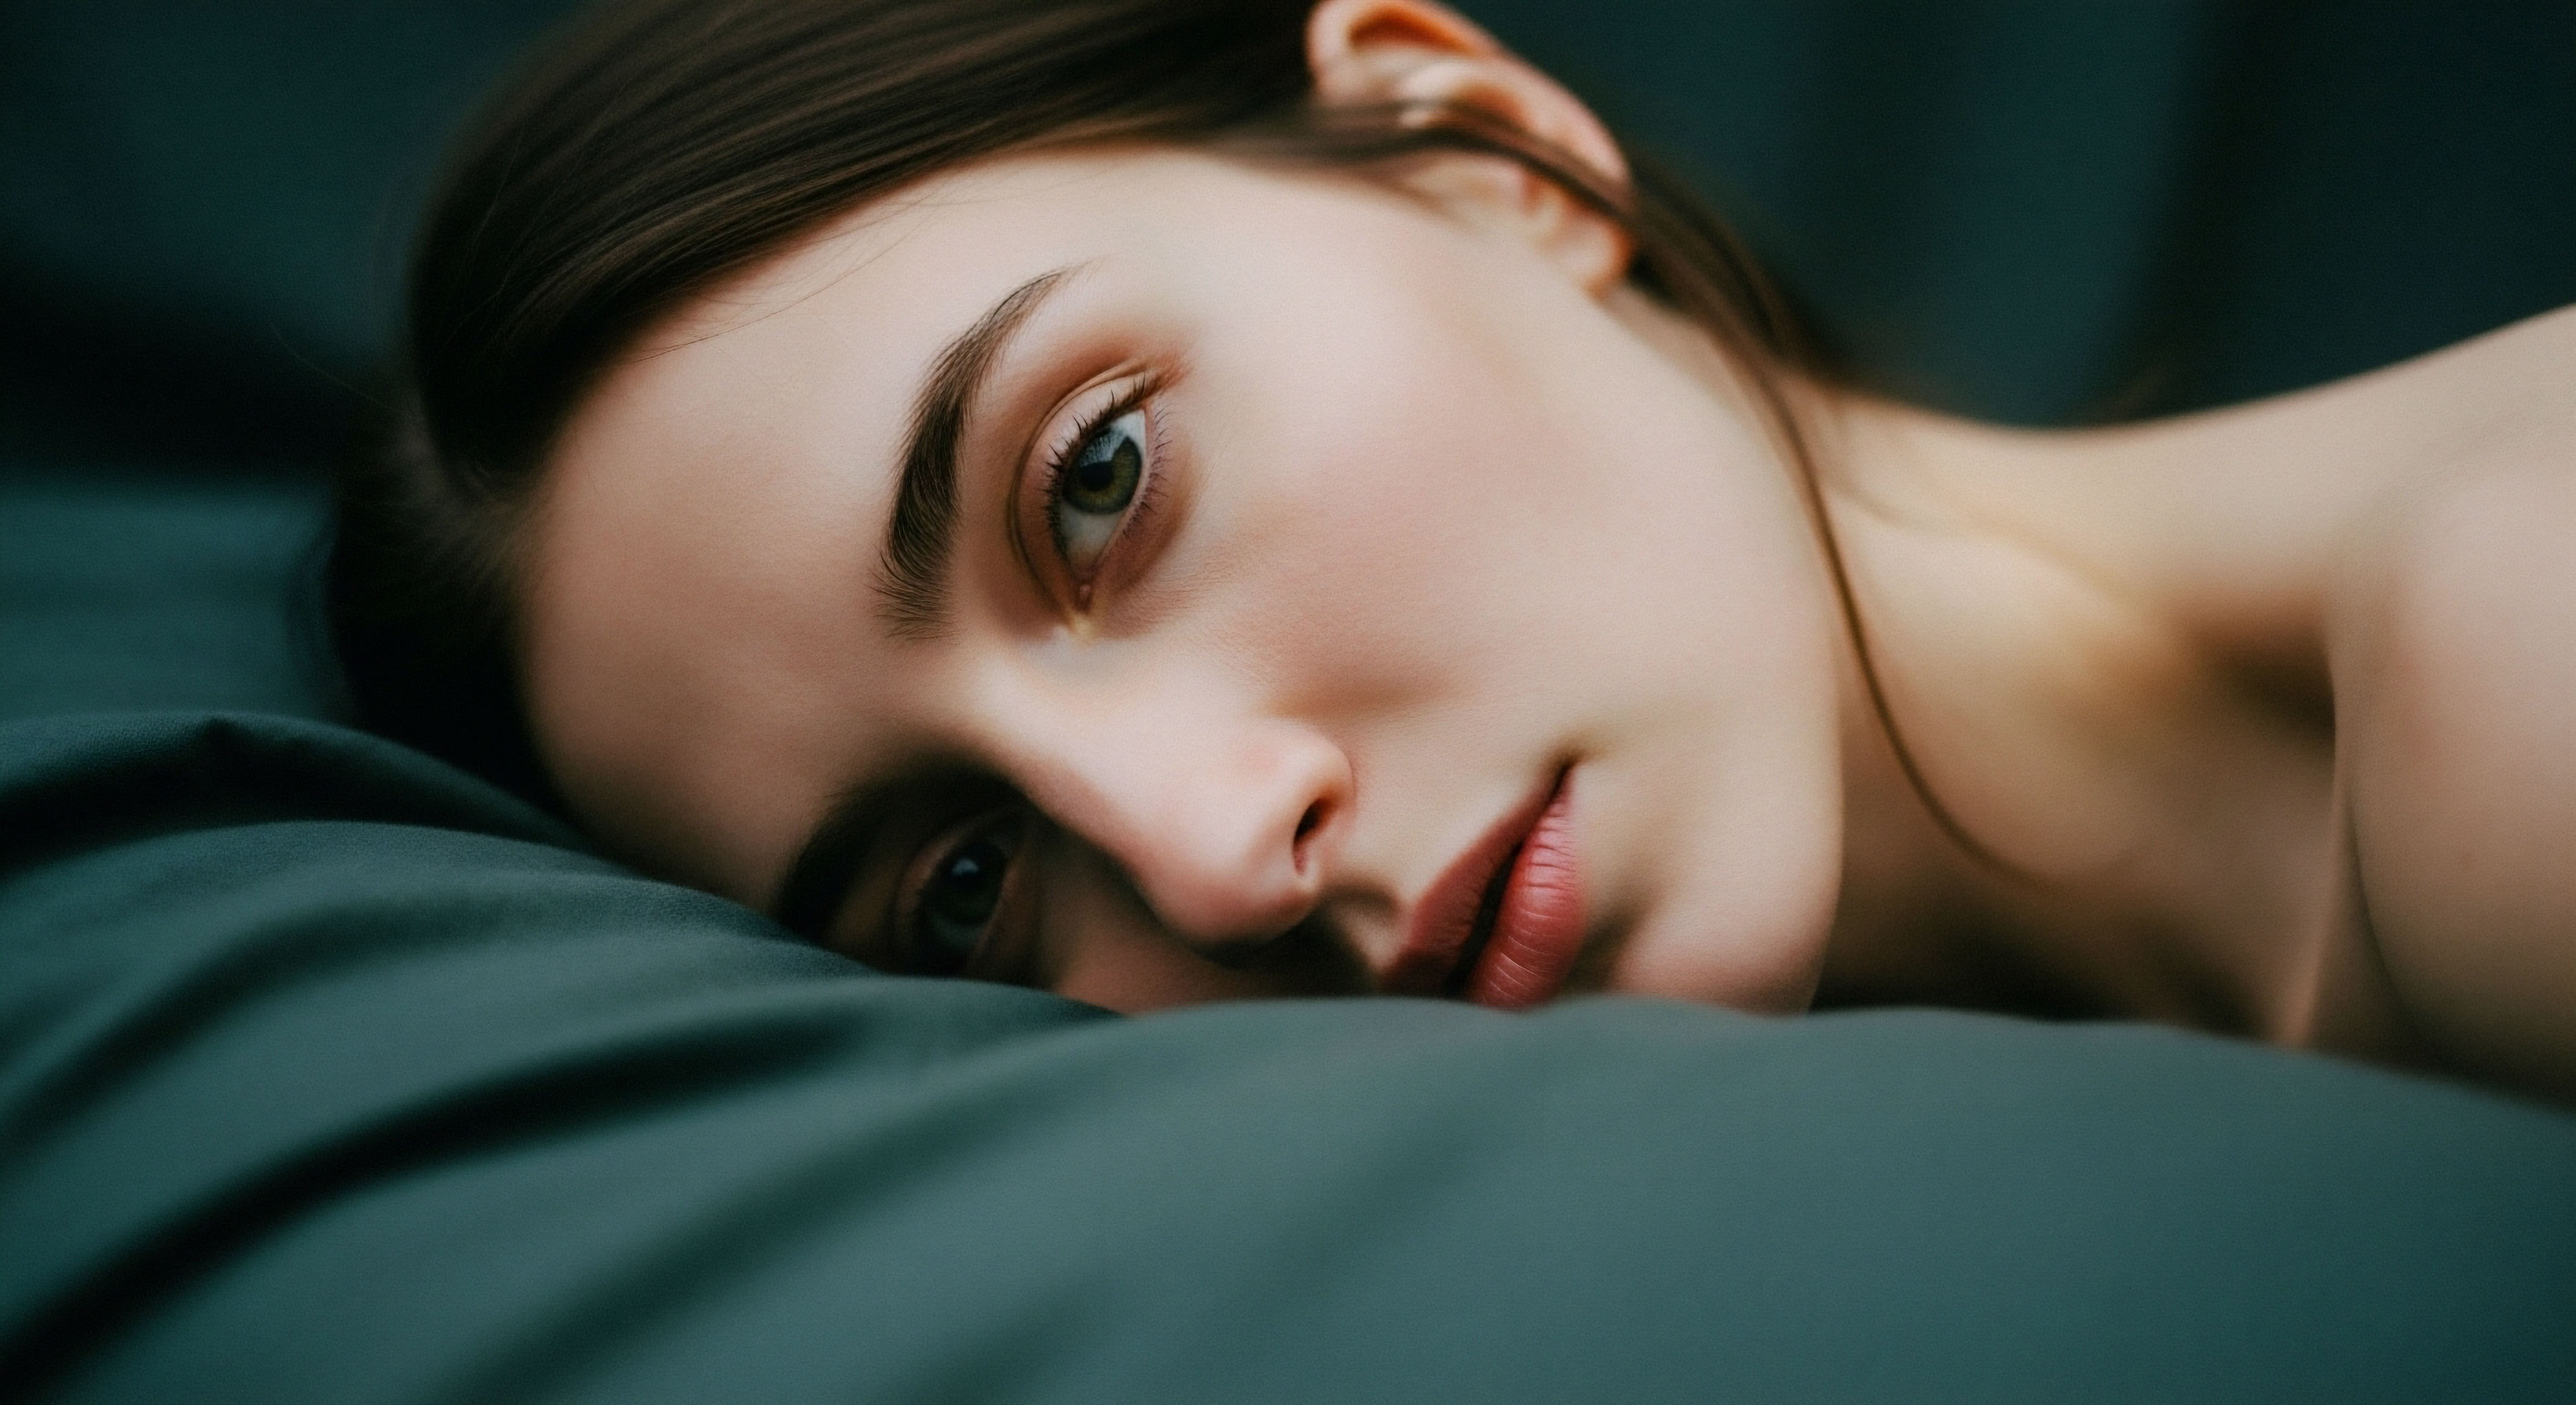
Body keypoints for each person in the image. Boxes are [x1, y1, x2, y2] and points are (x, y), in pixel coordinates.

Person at [331, 0, 2575, 1104]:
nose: (1221, 860)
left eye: (1096, 480)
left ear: (1474, 140)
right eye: (962, 888)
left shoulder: (2522, 654)